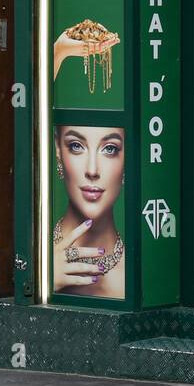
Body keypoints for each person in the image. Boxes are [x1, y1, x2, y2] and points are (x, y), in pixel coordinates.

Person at [52, 124, 125, 299]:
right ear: (58, 151)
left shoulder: (138, 278)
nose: (92, 170)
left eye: (110, 149)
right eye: (76, 146)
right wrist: (44, 281)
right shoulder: (31, 255)